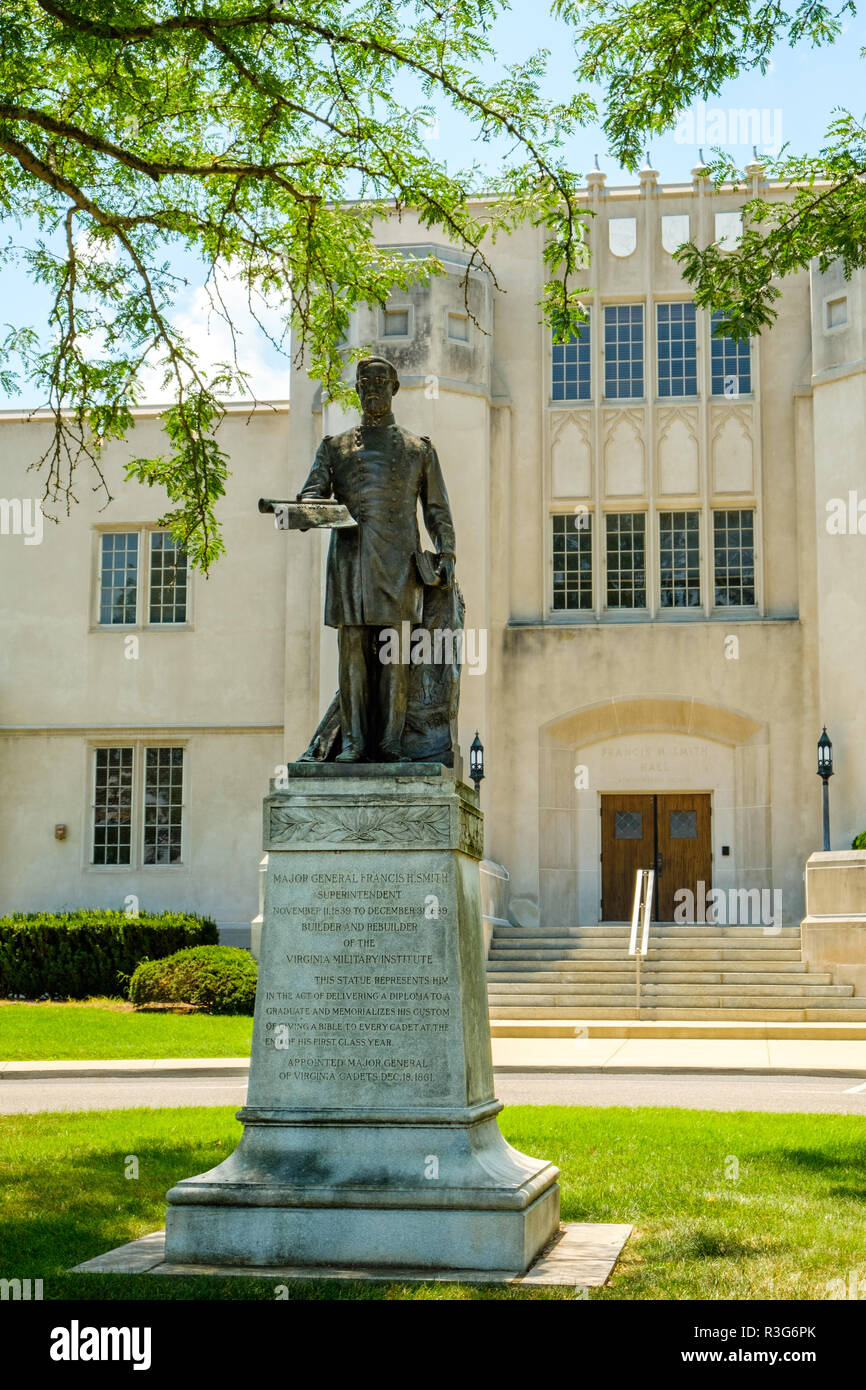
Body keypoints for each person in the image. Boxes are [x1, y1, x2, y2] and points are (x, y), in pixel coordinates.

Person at [297, 356, 456, 761]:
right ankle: (352, 743)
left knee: (394, 657)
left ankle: (389, 741)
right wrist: (304, 509)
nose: (373, 387)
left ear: (395, 387)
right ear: (356, 389)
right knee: (351, 656)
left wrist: (447, 552)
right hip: (350, 565)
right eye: (365, 380)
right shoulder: (334, 448)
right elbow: (313, 493)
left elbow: (436, 510)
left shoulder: (418, 449)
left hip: (399, 566)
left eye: (381, 380)